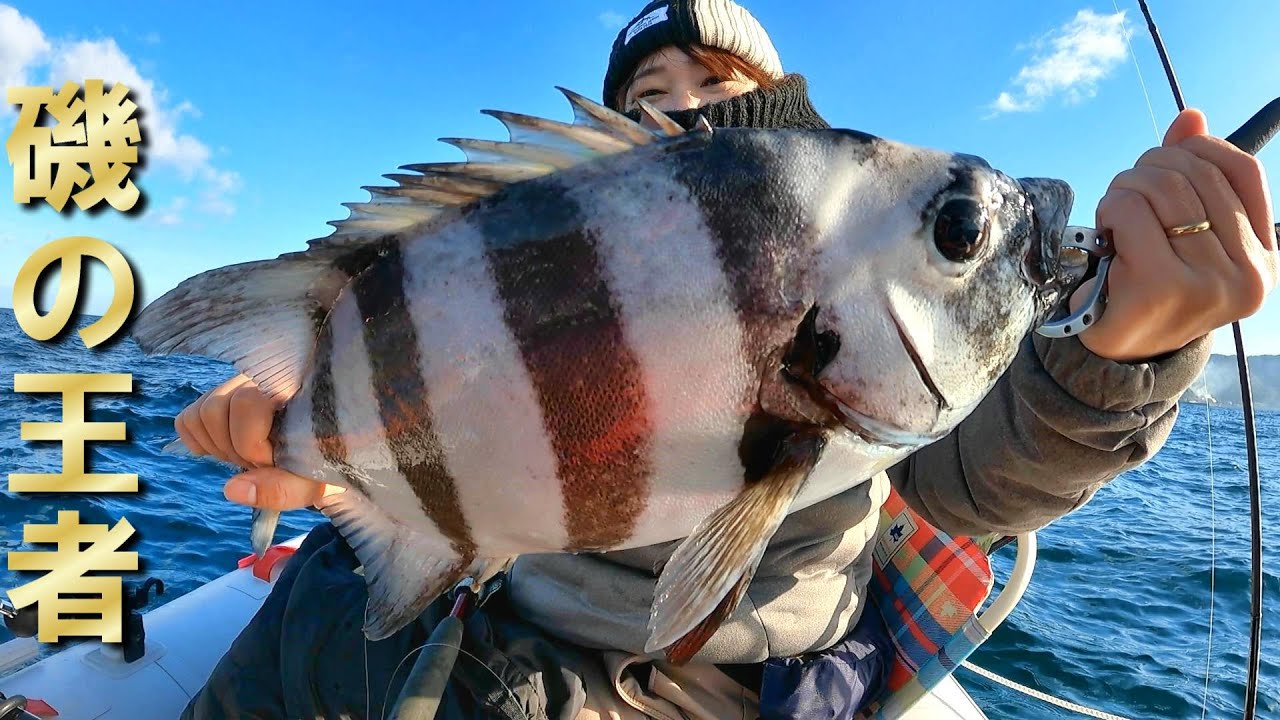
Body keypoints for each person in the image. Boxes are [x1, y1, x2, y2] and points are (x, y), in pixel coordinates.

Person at [178, 2, 1278, 718]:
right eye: (651, 105)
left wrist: (1124, 346)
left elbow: (981, 479)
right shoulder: (565, 272)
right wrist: (291, 412)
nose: (688, 117)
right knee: (293, 628)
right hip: (475, 595)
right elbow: (436, 384)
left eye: (725, 100)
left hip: (654, 679)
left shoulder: (862, 332)